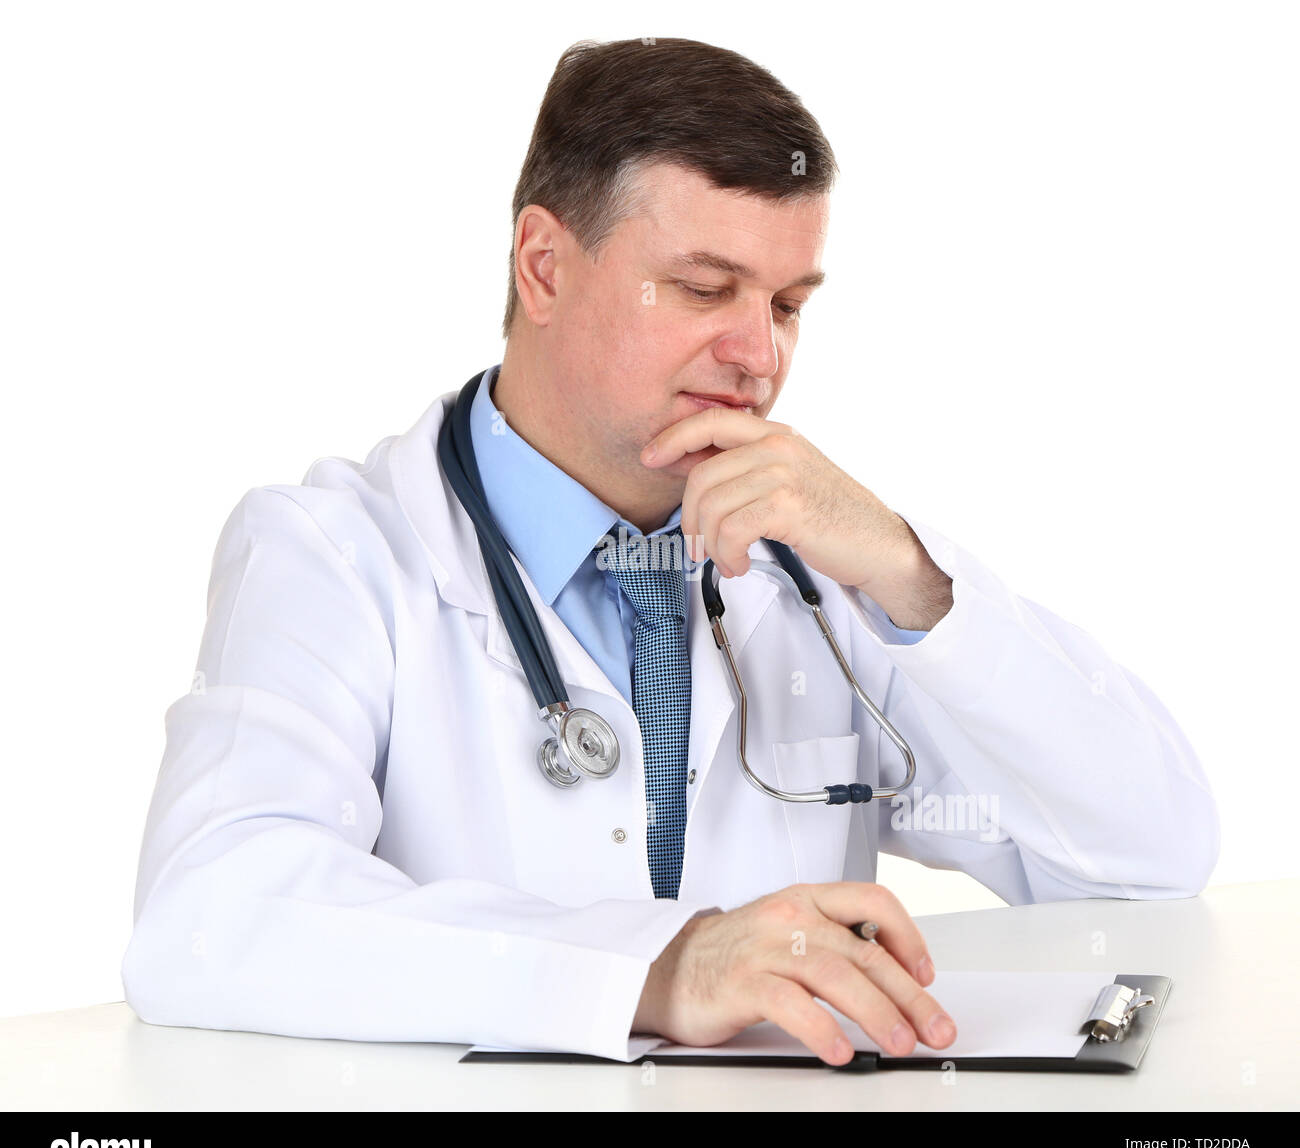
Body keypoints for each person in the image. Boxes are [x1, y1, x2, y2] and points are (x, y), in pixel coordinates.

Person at [122, 37, 1219, 1067]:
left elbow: (1148, 857)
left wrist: (906, 572)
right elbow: (212, 911)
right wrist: (661, 963)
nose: (758, 355)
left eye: (787, 303)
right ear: (544, 268)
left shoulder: (822, 584)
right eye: (704, 290)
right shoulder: (338, 556)